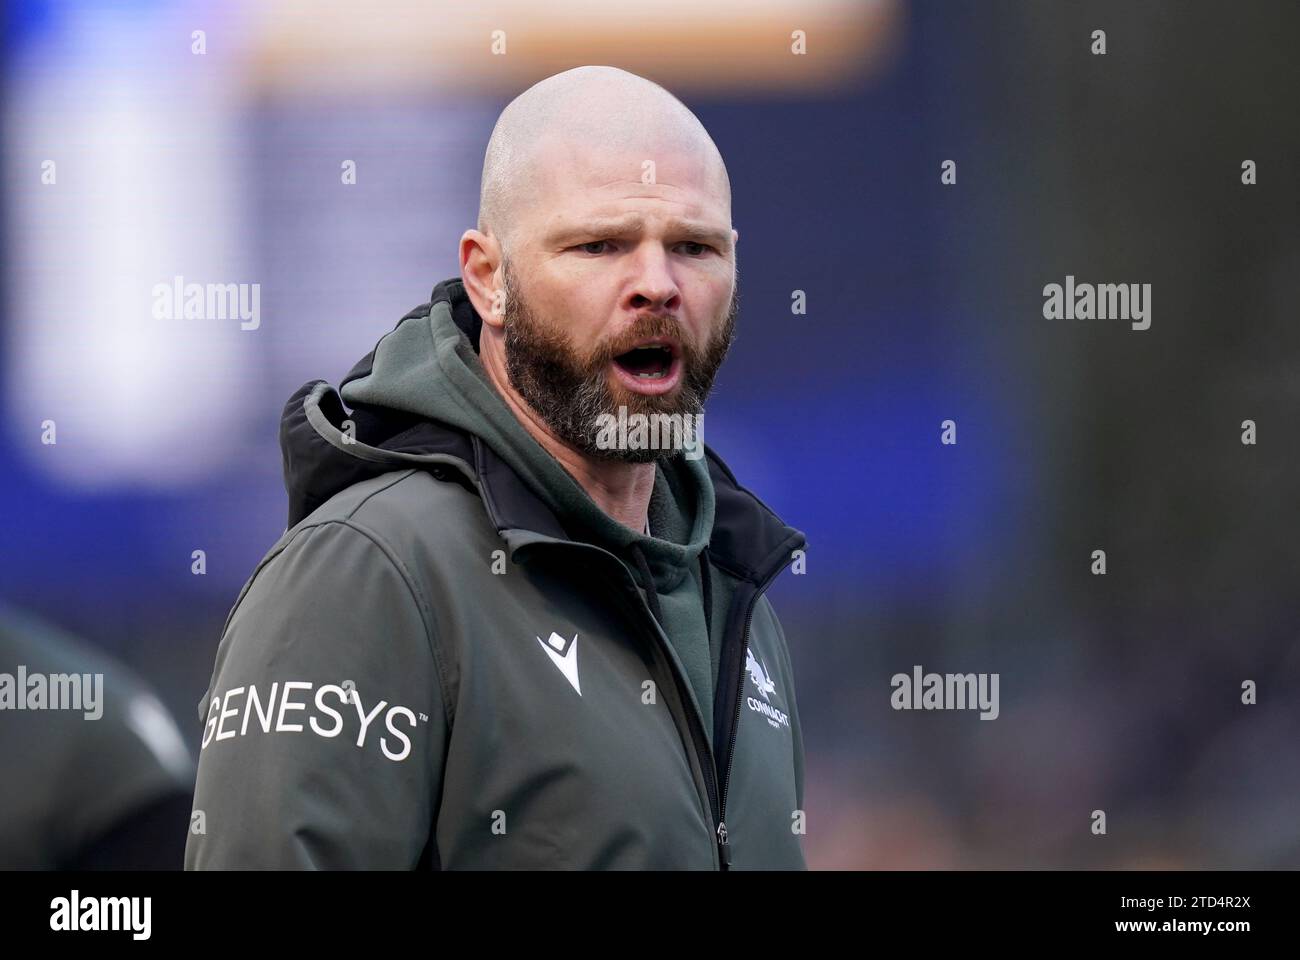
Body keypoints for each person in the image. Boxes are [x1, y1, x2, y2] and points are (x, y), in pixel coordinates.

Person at [186, 65, 807, 870]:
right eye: (600, 245)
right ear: (489, 279)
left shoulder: (736, 590)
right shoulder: (369, 573)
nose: (657, 284)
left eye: (693, 247)